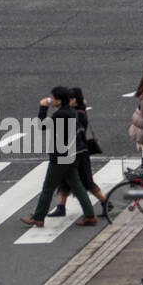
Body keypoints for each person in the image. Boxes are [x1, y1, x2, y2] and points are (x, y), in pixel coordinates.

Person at [20, 87, 97, 228]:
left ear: (59, 100)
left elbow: (41, 125)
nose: (51, 100)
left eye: (53, 98)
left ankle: (38, 217)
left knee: (48, 187)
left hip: (60, 157)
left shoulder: (60, 115)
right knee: (77, 187)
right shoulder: (72, 112)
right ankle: (90, 215)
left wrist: (43, 107)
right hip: (73, 154)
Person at [47, 88, 110, 220]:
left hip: (80, 152)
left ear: (74, 100)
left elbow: (76, 132)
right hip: (75, 150)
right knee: (65, 181)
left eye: (69, 99)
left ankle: (105, 203)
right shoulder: (76, 111)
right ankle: (61, 206)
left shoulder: (78, 114)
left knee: (87, 181)